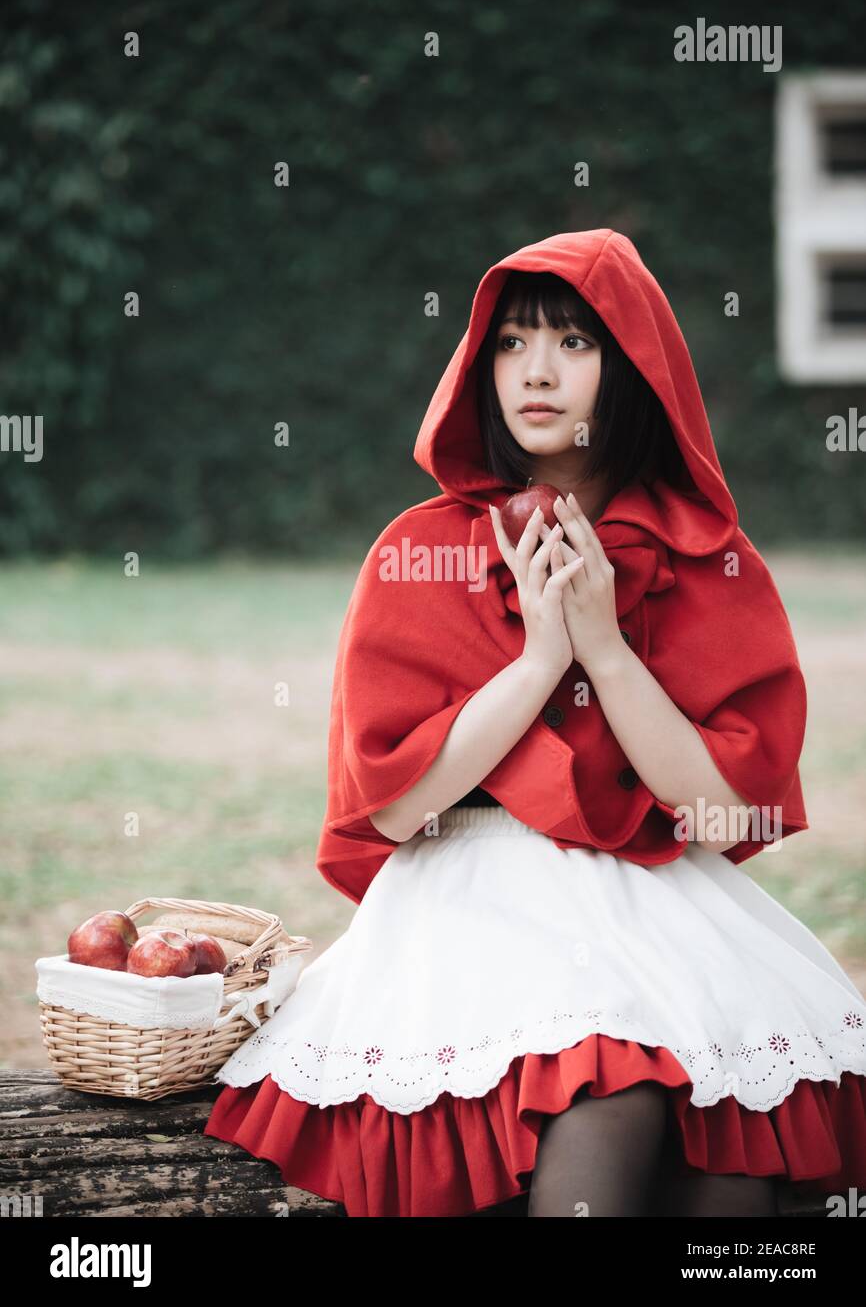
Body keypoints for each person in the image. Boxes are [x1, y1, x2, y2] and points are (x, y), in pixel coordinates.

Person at [203, 228, 866, 1217]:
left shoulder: (705, 560)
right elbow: (392, 807)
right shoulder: (417, 550)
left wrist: (605, 646)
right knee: (614, 1088)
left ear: (634, 370)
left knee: (729, 1150)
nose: (535, 370)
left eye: (572, 342)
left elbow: (725, 819)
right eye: (511, 343)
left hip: (655, 904)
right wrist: (537, 661)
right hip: (473, 896)